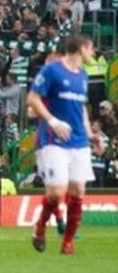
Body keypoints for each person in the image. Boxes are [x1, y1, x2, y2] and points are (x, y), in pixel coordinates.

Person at [29, 34, 98, 255]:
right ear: (81, 48)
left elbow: (81, 109)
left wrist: (90, 134)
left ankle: (67, 243)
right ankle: (40, 227)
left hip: (79, 140)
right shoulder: (52, 70)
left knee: (78, 190)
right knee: (57, 193)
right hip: (53, 139)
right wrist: (53, 121)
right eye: (91, 48)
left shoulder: (84, 76)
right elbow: (32, 99)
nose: (93, 53)